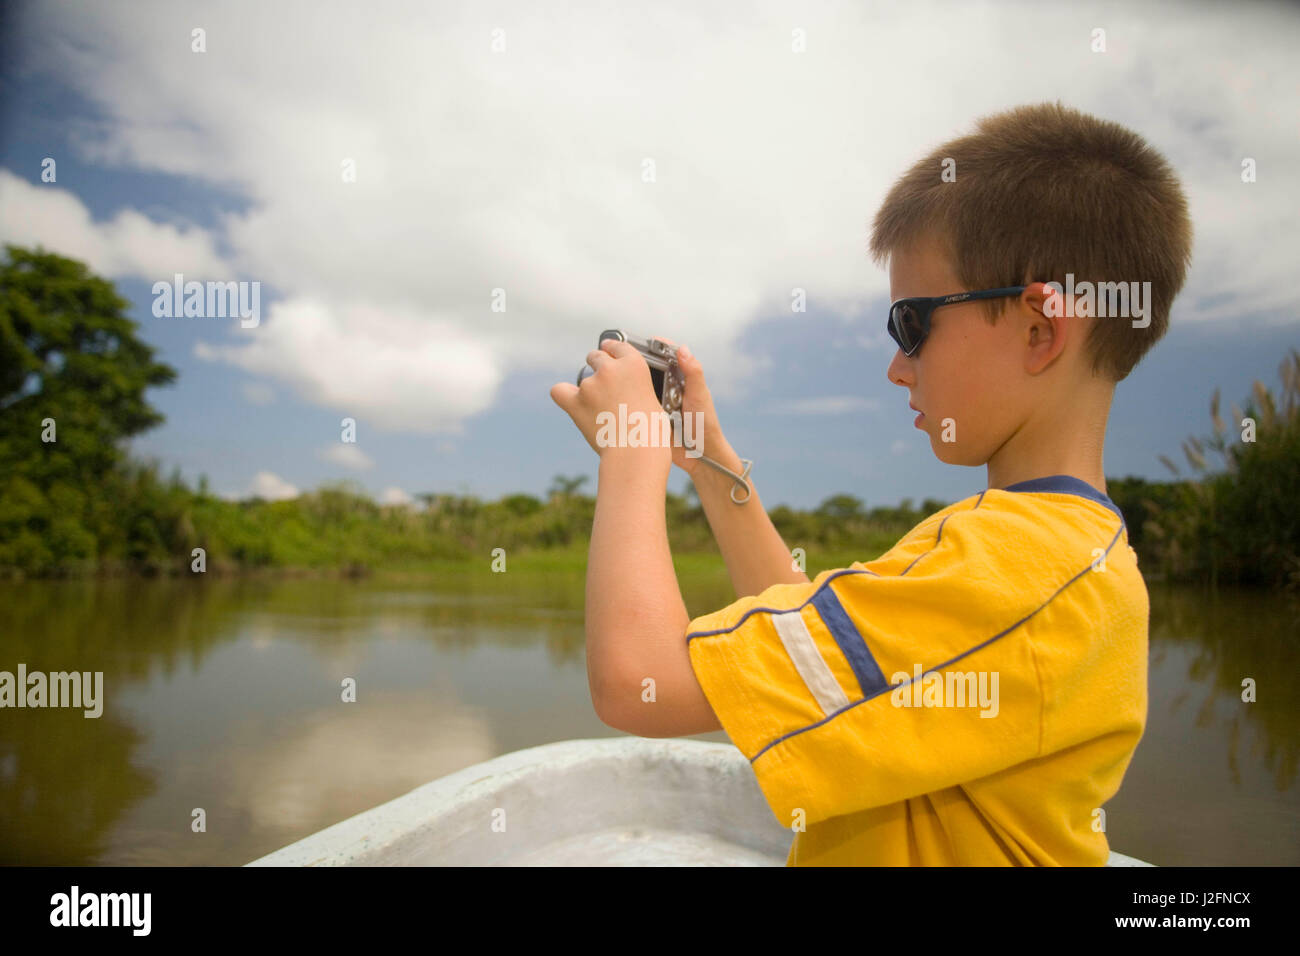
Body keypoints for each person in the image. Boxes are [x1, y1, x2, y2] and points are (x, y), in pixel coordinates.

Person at [549, 100, 1193, 865]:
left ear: (1040, 329)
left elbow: (638, 682)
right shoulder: (1049, 552)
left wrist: (632, 455)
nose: (897, 366)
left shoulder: (1019, 573)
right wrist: (707, 458)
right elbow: (803, 629)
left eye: (912, 326)